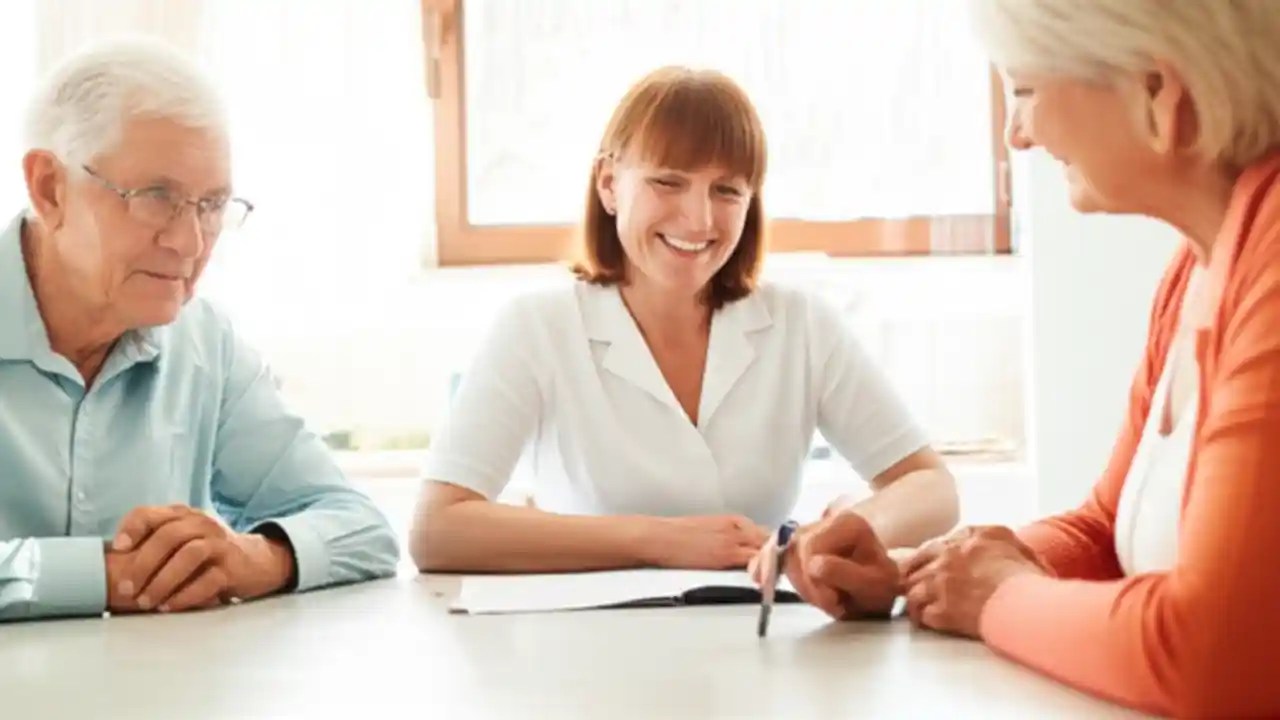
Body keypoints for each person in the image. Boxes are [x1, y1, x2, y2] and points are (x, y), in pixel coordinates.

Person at [784, 1, 1280, 715]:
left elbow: (1211, 654)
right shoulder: (1194, 268)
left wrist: (1000, 596)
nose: (1018, 135)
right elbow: (1106, 535)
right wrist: (918, 574)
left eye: (1026, 92)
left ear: (1157, 93)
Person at [410, 66, 958, 575]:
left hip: (756, 647)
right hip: (585, 657)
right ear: (608, 184)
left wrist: (851, 527)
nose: (699, 219)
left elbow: (931, 487)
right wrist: (655, 539)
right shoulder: (537, 326)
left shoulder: (802, 324)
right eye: (668, 182)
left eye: (727, 191)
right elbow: (437, 529)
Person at [0, 40, 399, 622]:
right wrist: (107, 576)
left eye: (211, 205)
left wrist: (254, 558)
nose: (189, 244)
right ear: (49, 188)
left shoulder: (205, 342)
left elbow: (361, 527)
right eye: (156, 197)